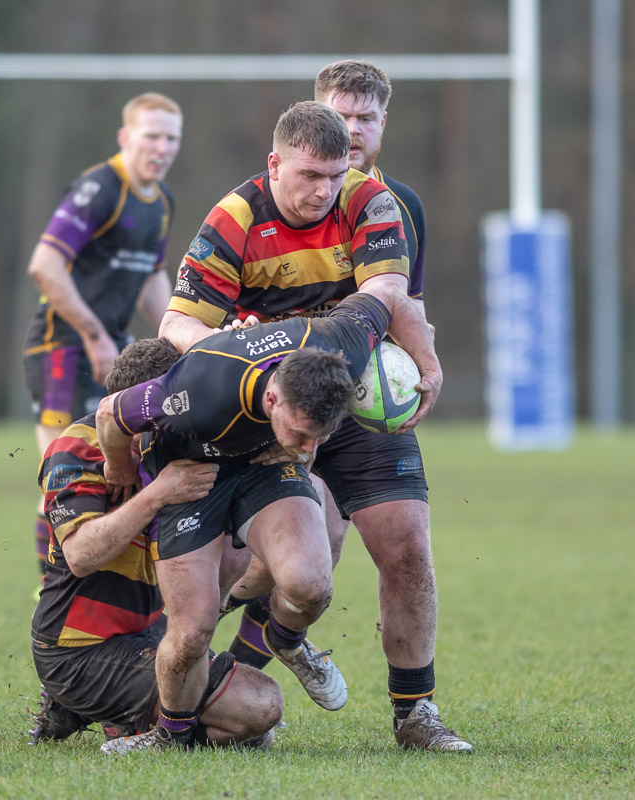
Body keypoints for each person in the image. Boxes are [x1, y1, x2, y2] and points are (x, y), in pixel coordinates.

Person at [159, 90, 472, 752]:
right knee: (267, 561)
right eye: (310, 176)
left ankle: (415, 713)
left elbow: (389, 294)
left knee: (407, 544)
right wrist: (243, 353)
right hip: (267, 406)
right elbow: (176, 324)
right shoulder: (234, 218)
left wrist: (427, 360)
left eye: (334, 176)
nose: (325, 191)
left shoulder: (370, 200)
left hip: (354, 402)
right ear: (274, 164)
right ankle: (211, 687)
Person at [97, 284, 408, 753]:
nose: (310, 449)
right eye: (301, 434)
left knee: (311, 584)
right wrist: (120, 468)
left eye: (320, 437)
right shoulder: (199, 387)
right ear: (272, 400)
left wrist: (428, 364)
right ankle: (170, 737)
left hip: (263, 466)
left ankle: (285, 638)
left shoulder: (339, 338)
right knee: (192, 631)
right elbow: (109, 413)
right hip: (194, 474)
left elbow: (390, 292)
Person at [29, 337, 282, 751]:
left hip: (152, 635)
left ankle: (120, 712)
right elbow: (80, 555)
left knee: (258, 718)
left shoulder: (185, 444)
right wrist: (159, 493)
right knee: (258, 708)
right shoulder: (76, 449)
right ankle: (102, 709)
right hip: (77, 650)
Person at [22, 92, 183, 585]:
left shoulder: (161, 202)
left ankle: (115, 586)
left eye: (171, 138)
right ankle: (52, 593)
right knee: (65, 471)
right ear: (125, 137)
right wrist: (94, 335)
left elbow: (152, 280)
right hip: (62, 349)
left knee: (117, 466)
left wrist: (183, 341)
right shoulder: (99, 188)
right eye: (152, 136)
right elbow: (44, 265)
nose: (162, 148)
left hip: (115, 349)